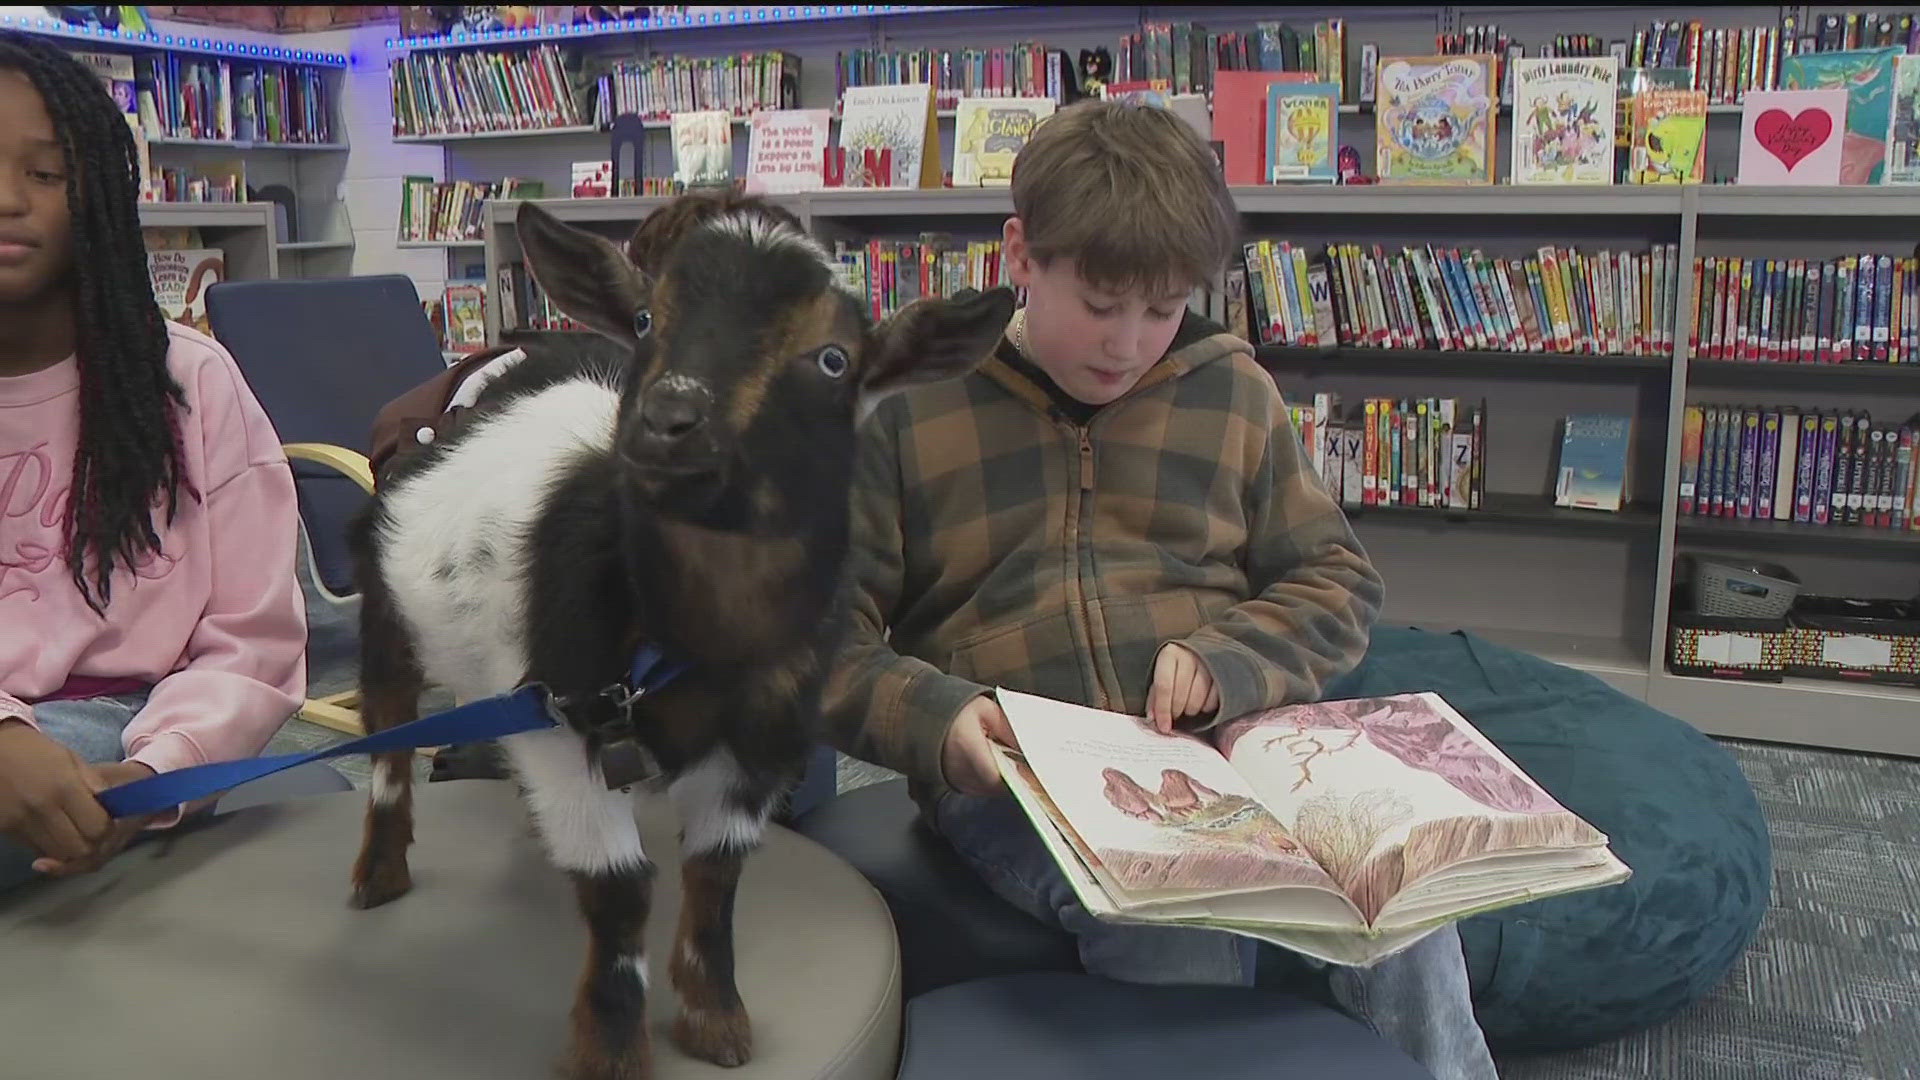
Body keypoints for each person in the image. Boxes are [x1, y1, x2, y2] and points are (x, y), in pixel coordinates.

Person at [821, 99, 1499, 1079]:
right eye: (1101, 305)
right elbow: (819, 638)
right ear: (1020, 254)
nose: (1129, 342)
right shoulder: (908, 406)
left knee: (1402, 880)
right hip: (1025, 783)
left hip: (1229, 752)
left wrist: (1229, 660)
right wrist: (939, 719)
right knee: (1173, 915)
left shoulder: (1230, 389)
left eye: (1163, 307)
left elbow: (1335, 577)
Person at [0, 32, 306, 891]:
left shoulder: (188, 381)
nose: (7, 199)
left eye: (45, 173)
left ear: (98, 192)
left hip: (142, 726)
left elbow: (252, 641)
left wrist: (154, 774)